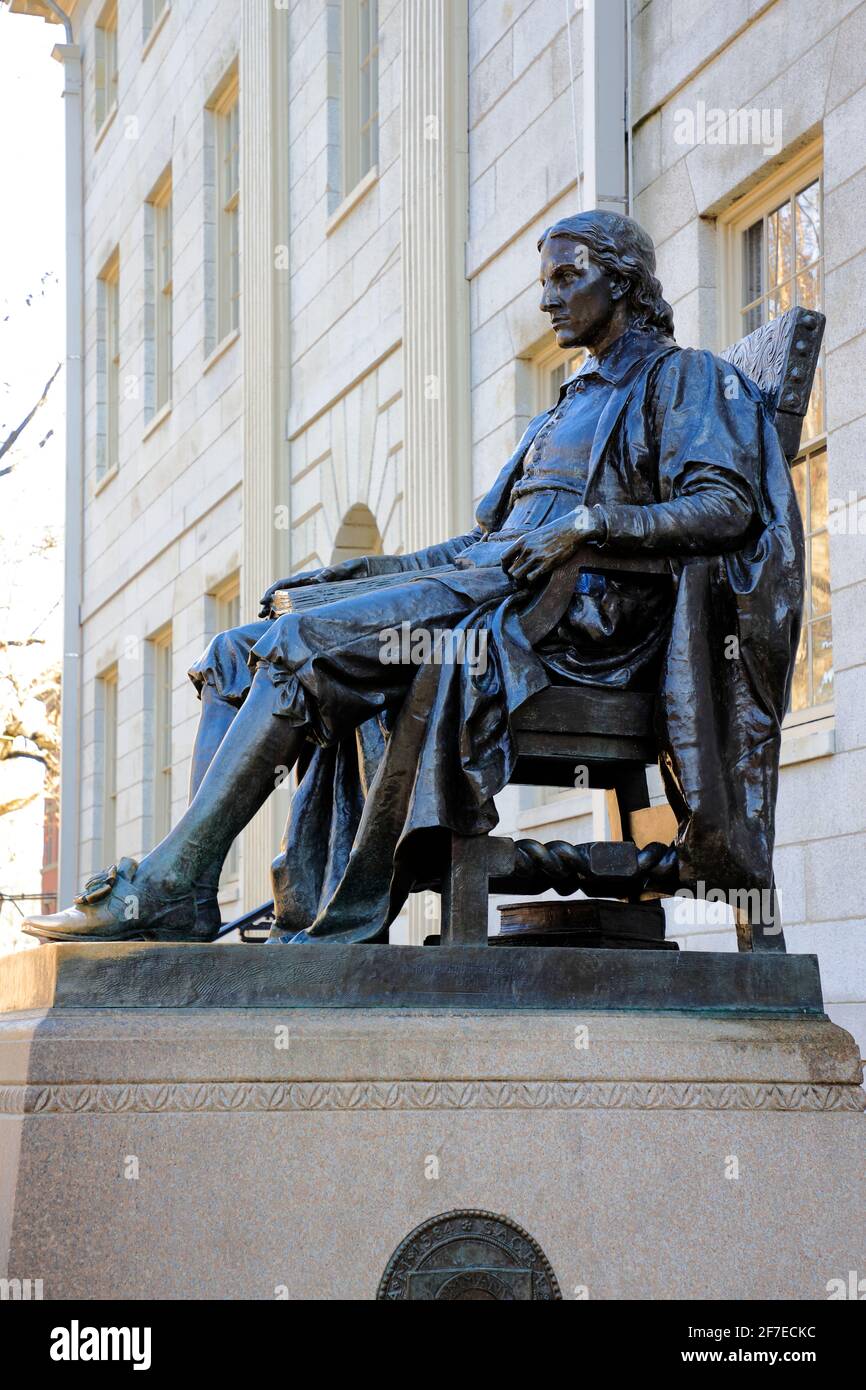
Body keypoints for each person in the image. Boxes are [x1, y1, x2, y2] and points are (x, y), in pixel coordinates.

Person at [25, 210, 803, 945]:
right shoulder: (561, 409)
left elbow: (726, 508)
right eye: (546, 281)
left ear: (626, 282)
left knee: (298, 644)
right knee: (236, 649)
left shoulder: (686, 378)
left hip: (577, 630)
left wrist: (589, 524)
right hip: (500, 587)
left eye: (567, 277)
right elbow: (482, 544)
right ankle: (189, 889)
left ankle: (163, 884)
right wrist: (369, 570)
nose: (547, 298)